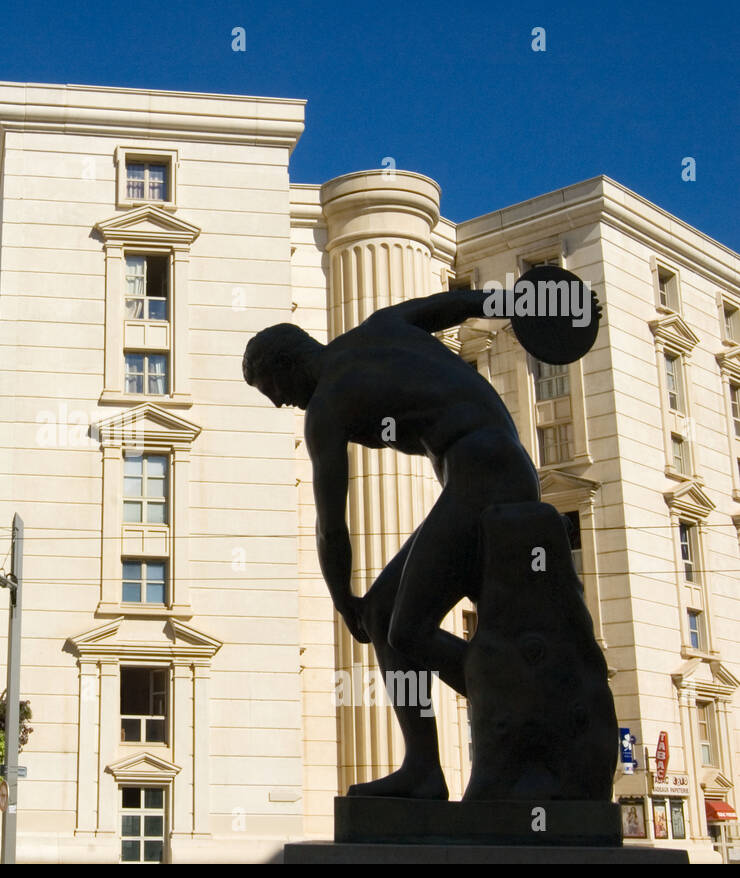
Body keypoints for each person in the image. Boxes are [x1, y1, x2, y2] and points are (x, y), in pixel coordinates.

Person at [243, 270, 594, 798]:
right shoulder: (381, 326)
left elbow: (331, 522)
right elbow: (458, 304)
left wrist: (343, 600)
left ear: (287, 363)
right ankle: (426, 769)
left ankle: (518, 702)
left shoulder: (328, 407)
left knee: (403, 629)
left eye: (272, 389)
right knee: (389, 615)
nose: (278, 403)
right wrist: (523, 301)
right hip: (494, 468)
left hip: (484, 474)